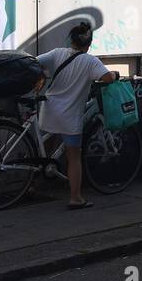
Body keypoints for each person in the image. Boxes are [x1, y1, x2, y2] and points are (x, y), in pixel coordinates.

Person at [37, 22, 119, 210]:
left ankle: (33, 185)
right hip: (70, 115)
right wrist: (114, 74)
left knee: (45, 149)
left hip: (49, 110)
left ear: (71, 41)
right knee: (74, 156)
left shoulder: (57, 53)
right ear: (88, 44)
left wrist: (41, 77)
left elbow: (35, 61)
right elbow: (106, 78)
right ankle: (75, 198)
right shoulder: (90, 61)